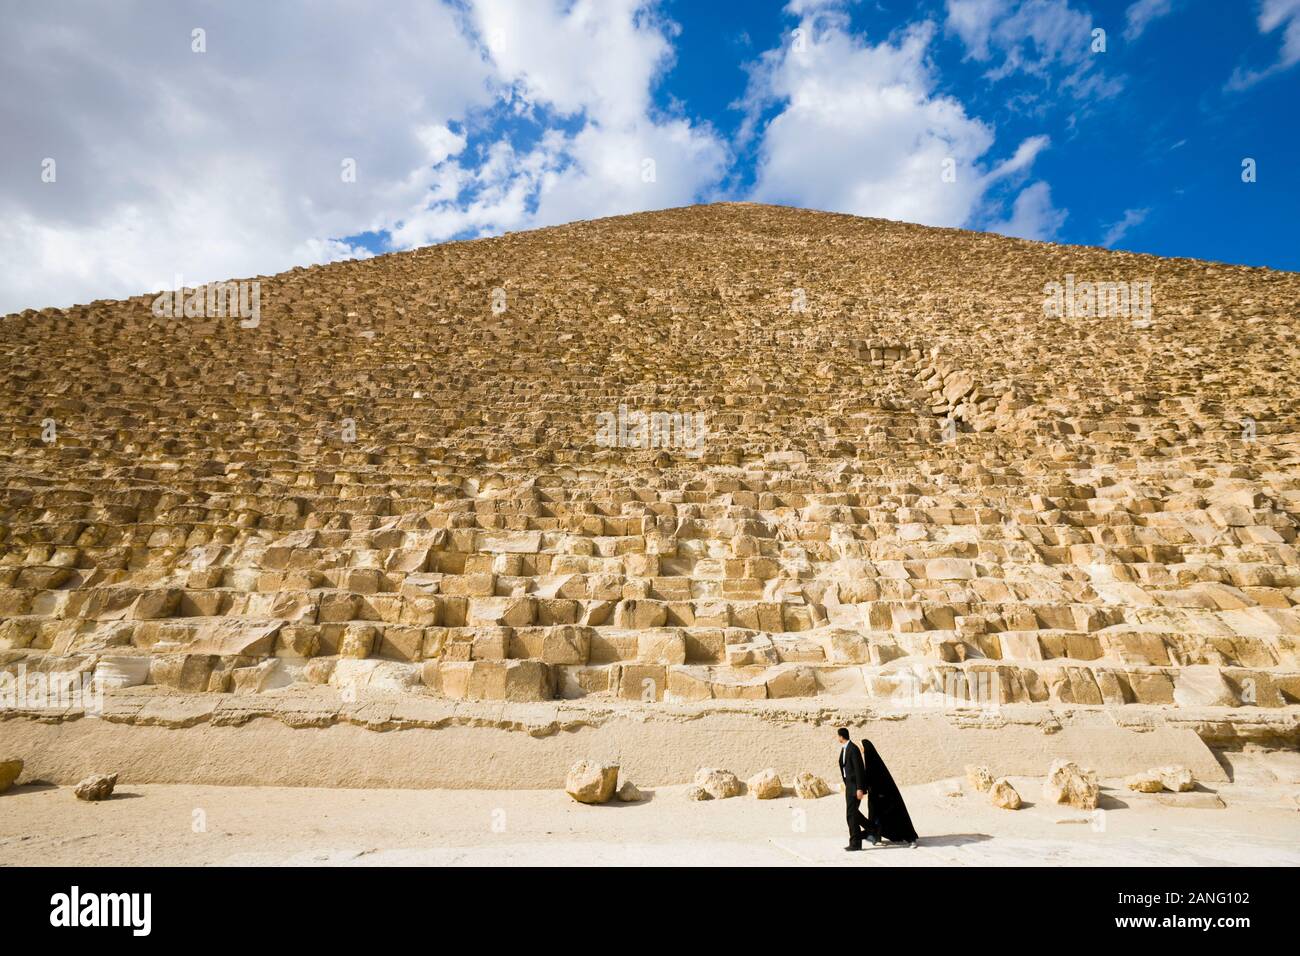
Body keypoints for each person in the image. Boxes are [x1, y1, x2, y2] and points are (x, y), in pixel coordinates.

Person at [859, 737, 919, 847]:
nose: (861, 750)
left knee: (897, 817)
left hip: (886, 797)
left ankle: (911, 838)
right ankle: (876, 838)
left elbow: (880, 781)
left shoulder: (875, 764)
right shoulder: (870, 762)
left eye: (862, 747)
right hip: (876, 797)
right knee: (876, 818)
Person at [836, 727, 872, 851]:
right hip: (849, 787)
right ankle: (873, 829)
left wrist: (860, 788)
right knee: (853, 813)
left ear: (841, 737)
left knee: (851, 815)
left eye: (838, 736)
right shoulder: (845, 749)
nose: (837, 738)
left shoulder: (853, 749)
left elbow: (859, 769)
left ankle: (855, 843)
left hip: (855, 787)